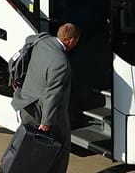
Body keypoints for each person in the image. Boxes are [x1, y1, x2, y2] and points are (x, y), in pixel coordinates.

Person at [11, 22, 81, 173]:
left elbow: (29, 39)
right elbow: (52, 95)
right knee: (60, 149)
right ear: (71, 40)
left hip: (26, 102)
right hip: (42, 112)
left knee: (26, 147)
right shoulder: (60, 63)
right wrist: (46, 123)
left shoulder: (41, 41)